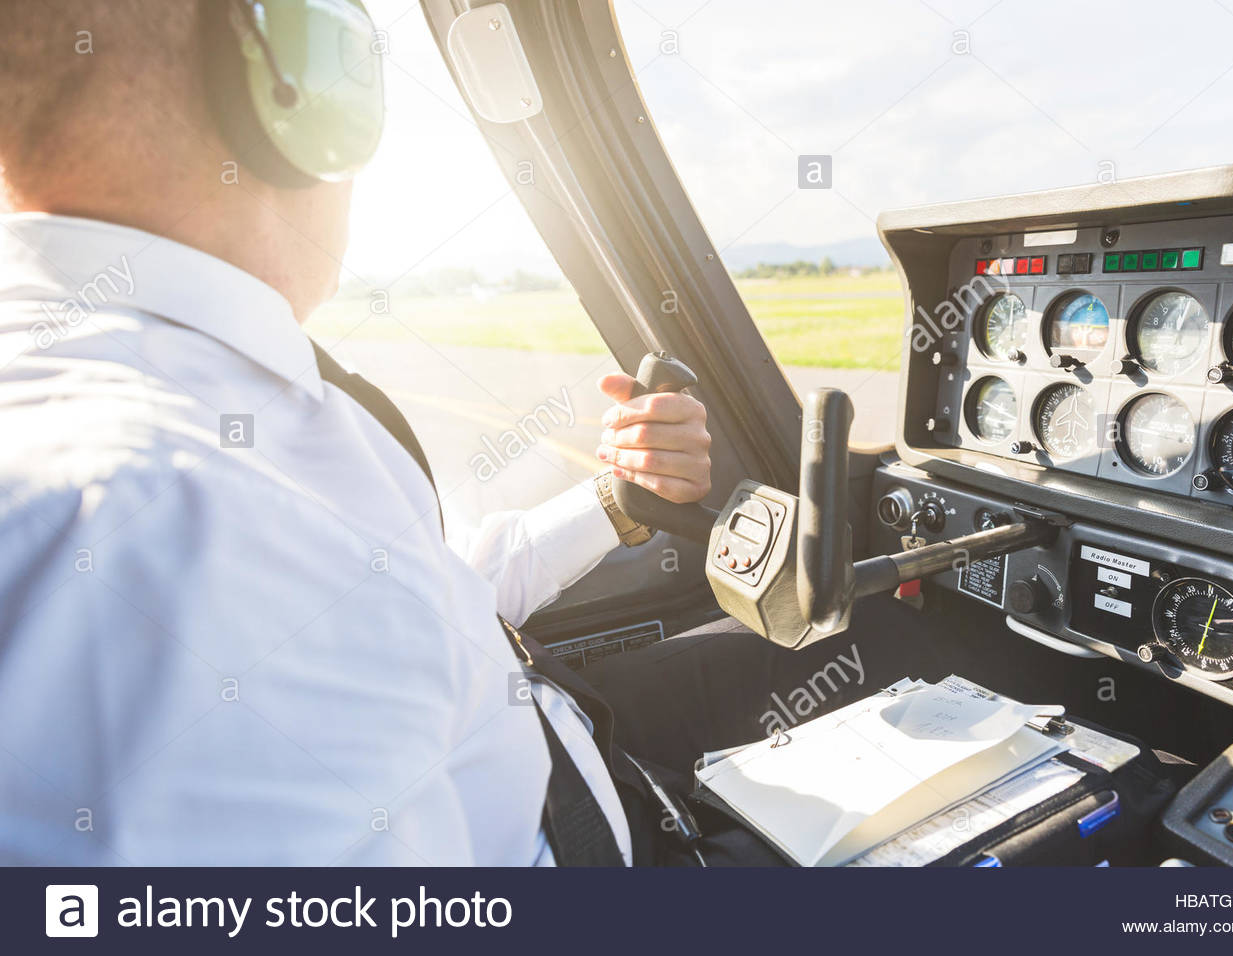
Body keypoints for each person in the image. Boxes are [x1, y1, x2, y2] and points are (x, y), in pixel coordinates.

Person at [0, 0, 889, 866]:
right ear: (299, 83)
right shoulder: (176, 522)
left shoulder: (174, 397)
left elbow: (424, 597)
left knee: (861, 649)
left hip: (573, 753)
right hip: (611, 838)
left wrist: (616, 504)